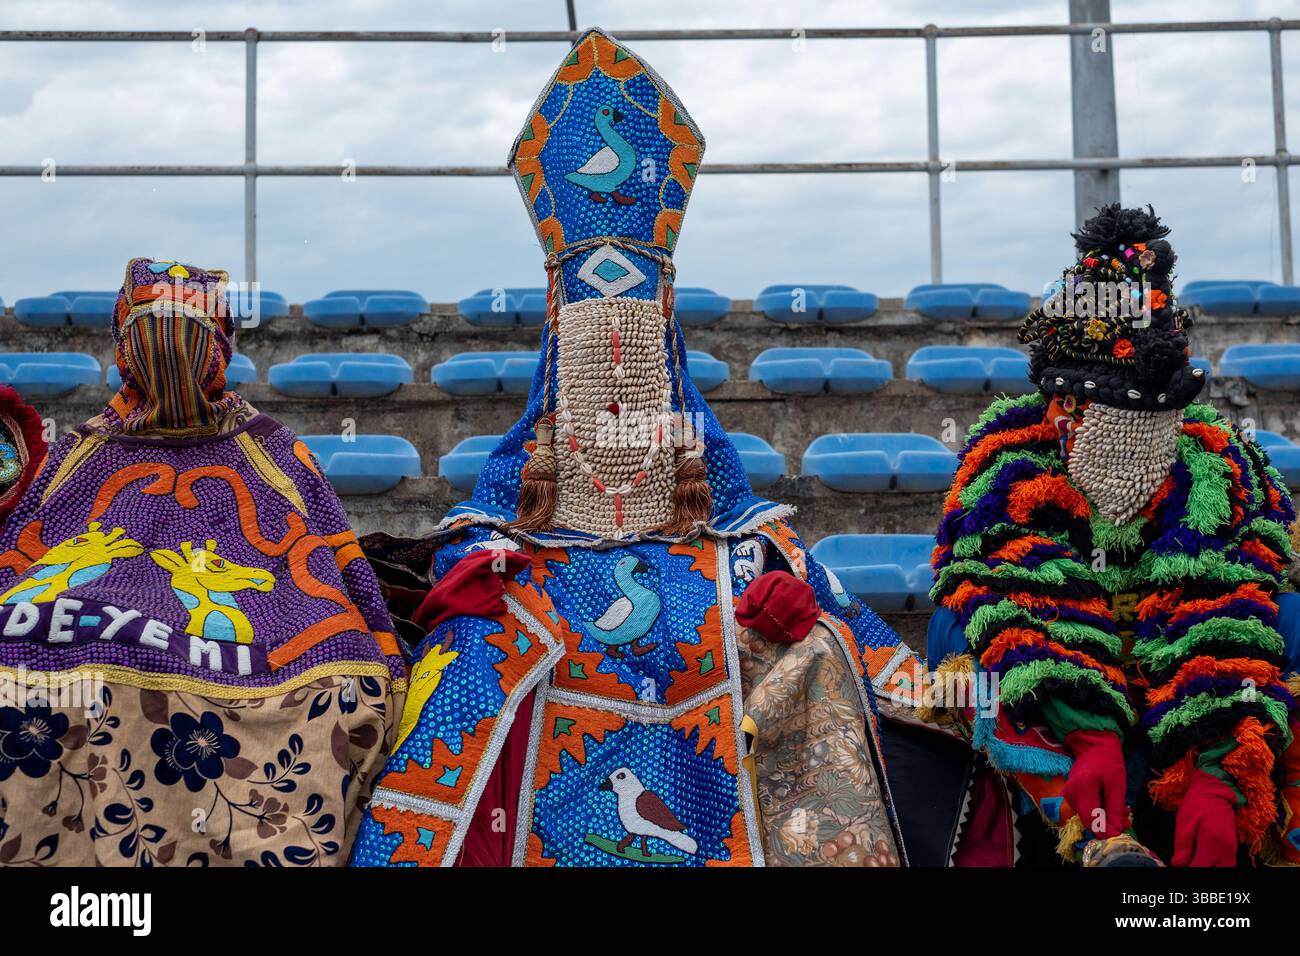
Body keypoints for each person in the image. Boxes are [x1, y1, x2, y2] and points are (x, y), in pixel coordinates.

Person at [350, 28, 919, 867]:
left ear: (670, 366)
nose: (614, 379)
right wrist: (461, 584)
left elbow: (853, 632)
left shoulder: (741, 538)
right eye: (589, 356)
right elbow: (458, 561)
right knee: (475, 652)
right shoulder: (506, 530)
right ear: (555, 375)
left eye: (635, 357)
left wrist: (808, 631)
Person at [0, 257, 405, 866]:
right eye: (151, 336)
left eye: (187, 339)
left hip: (259, 622)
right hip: (87, 611)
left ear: (217, 347)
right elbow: (33, 551)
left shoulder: (273, 451)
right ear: (124, 345)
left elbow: (320, 562)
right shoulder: (79, 452)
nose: (171, 358)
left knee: (341, 687)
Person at [928, 205, 1297, 866]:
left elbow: (1237, 618)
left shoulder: (1222, 472)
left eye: (1152, 425)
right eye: (1115, 424)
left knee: (1291, 619)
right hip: (1062, 709)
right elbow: (1003, 594)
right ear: (1066, 409)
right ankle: (1086, 834)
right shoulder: (1006, 468)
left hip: (1169, 691)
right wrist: (1083, 727)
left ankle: (1243, 821)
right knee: (961, 637)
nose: (1136, 449)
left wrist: (1218, 767)